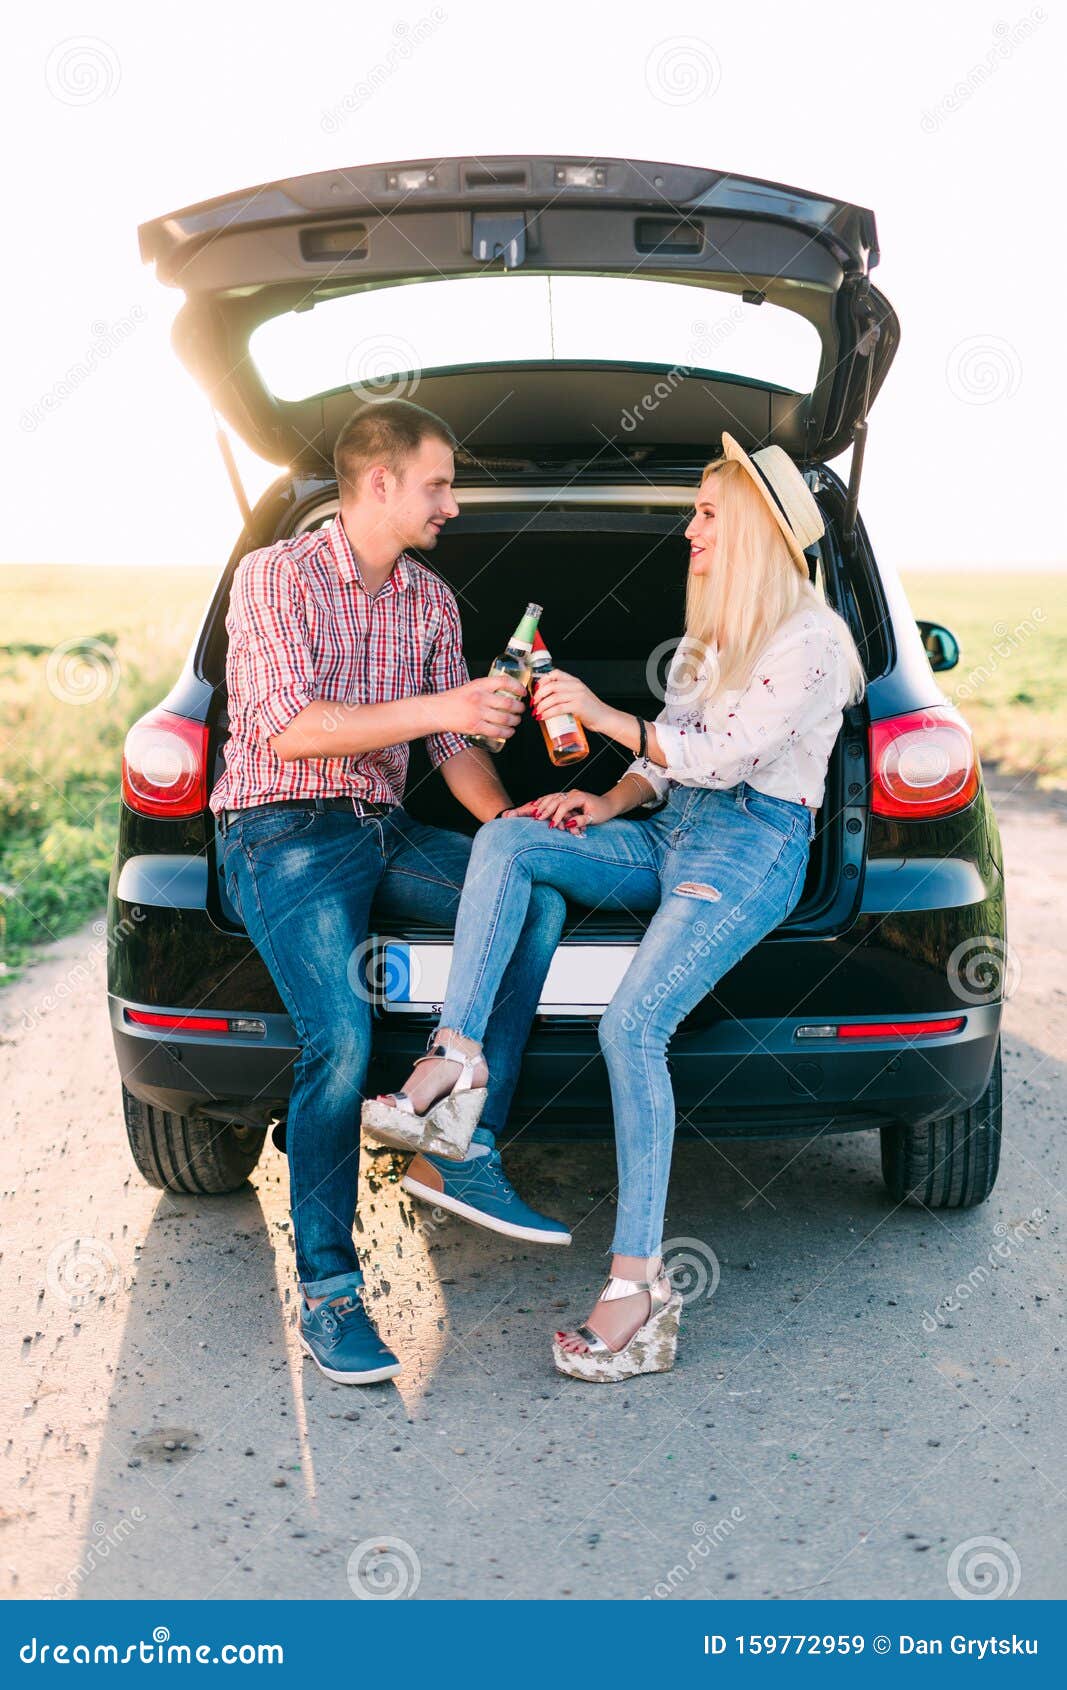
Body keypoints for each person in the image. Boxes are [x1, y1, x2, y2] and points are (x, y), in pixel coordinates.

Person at [369, 431, 867, 1383]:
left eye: (707, 514)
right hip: (673, 829)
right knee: (513, 837)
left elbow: (724, 757)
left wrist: (599, 716)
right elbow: (668, 757)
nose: (690, 531)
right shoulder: (705, 642)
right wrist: (604, 801)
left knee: (632, 1025)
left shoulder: (812, 641)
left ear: (759, 530)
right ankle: (455, 1067)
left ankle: (638, 1291)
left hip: (753, 845)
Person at [211, 399, 571, 1388]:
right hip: (280, 827)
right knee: (340, 1041)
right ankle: (330, 1296)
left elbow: (453, 748)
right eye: (438, 483)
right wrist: (445, 706)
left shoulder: (431, 602)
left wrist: (507, 834)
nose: (452, 503)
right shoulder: (273, 577)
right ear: (377, 483)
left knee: (530, 896)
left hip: (381, 827)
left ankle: (454, 1139)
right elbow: (287, 727)